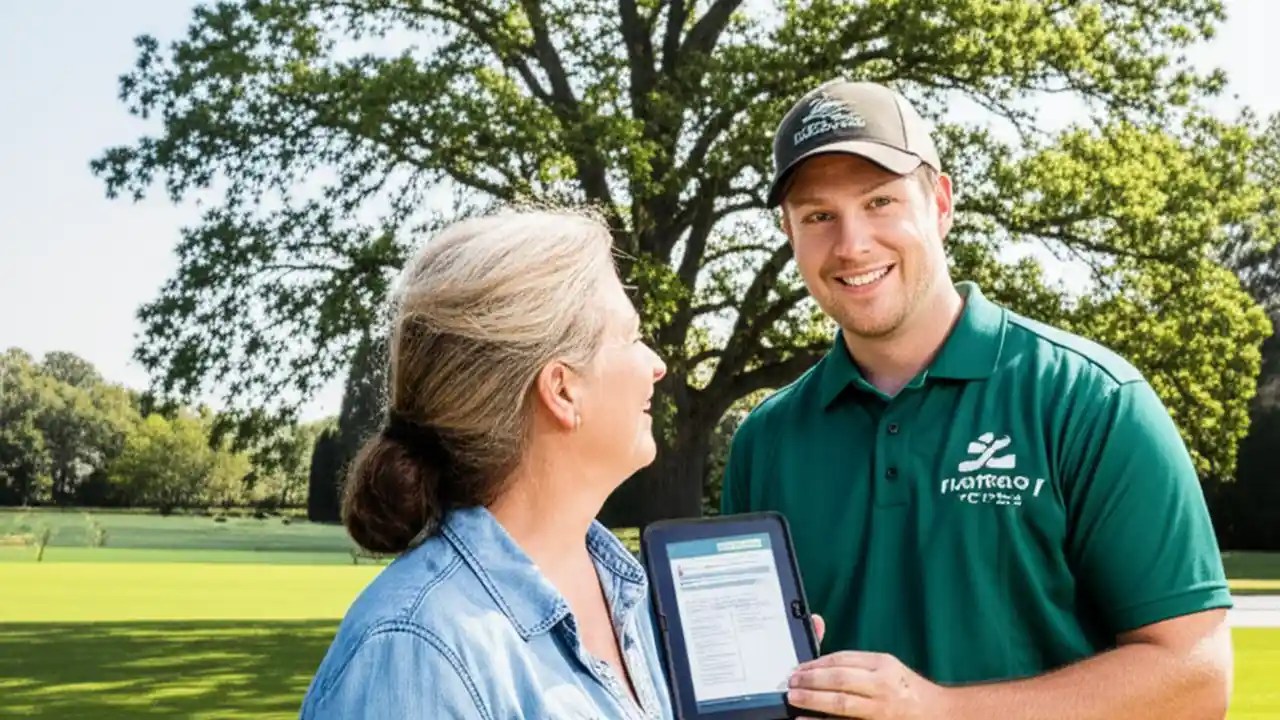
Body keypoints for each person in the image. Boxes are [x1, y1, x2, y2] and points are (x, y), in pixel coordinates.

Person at [721, 79, 1235, 719]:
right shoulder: (765, 441)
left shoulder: (1091, 400)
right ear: (789, 231)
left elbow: (1196, 677)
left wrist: (939, 710)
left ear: (939, 203)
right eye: (819, 216)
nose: (851, 244)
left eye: (880, 202)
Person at [299, 208, 674, 719]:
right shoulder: (416, 650)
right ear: (562, 389)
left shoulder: (632, 599)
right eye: (631, 337)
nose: (657, 364)